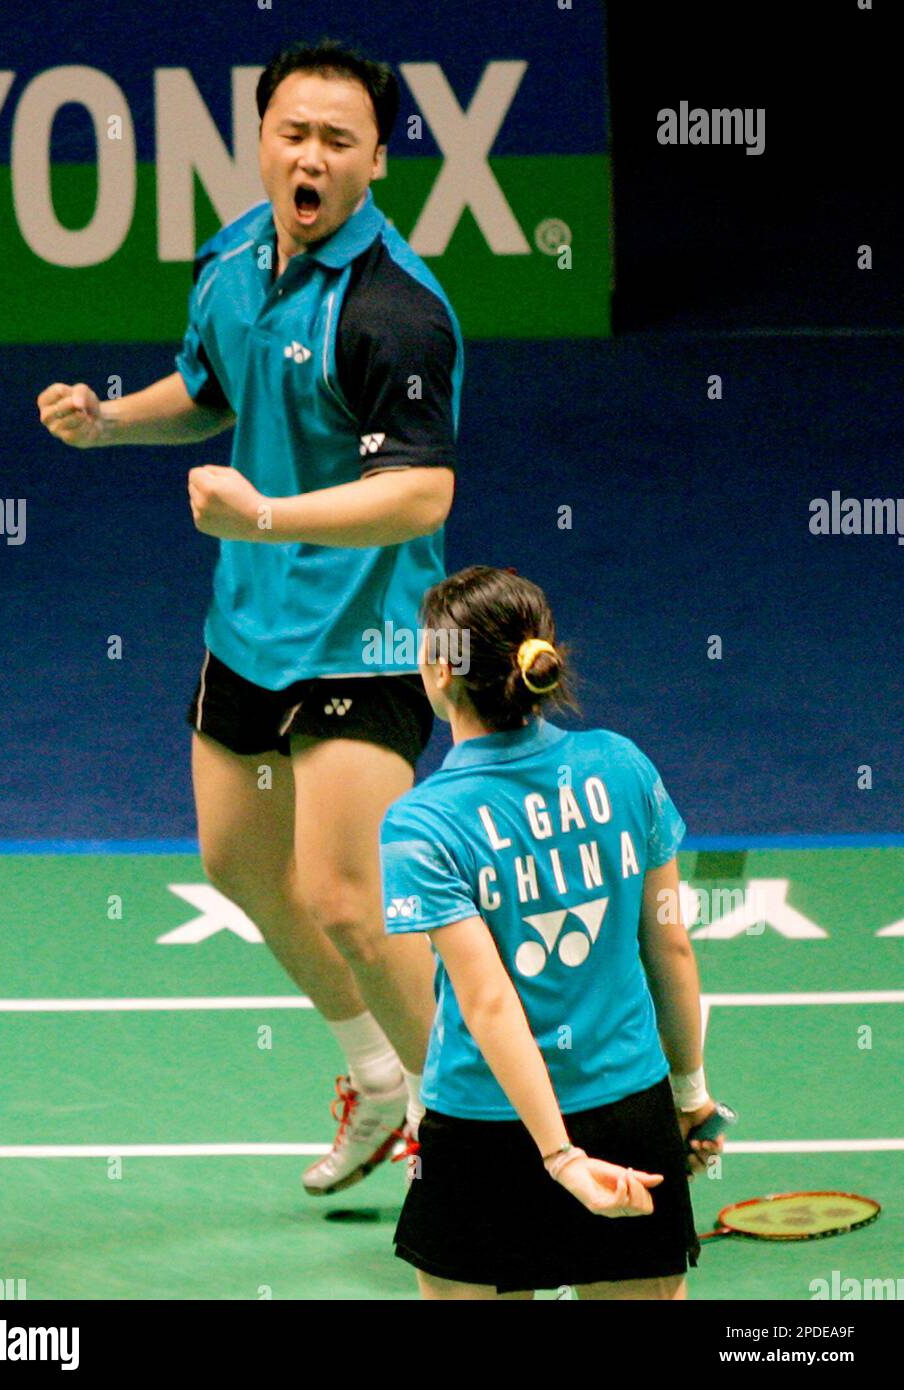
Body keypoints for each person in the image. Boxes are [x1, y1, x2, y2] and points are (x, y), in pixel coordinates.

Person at [36, 37, 464, 1195]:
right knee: (237, 862)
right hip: (250, 623)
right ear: (260, 140)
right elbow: (215, 390)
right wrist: (112, 421)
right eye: (292, 132)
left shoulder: (396, 310)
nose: (310, 155)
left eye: (337, 138)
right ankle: (376, 1077)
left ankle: (489, 1136)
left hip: (364, 630)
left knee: (349, 899)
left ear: (377, 157)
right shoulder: (231, 255)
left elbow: (424, 491)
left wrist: (264, 514)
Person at [379, 565, 725, 1300]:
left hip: (486, 1124)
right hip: (628, 1105)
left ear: (439, 672)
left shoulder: (424, 822)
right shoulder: (622, 765)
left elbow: (490, 1003)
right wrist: (690, 1094)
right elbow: (669, 945)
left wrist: (559, 1156)